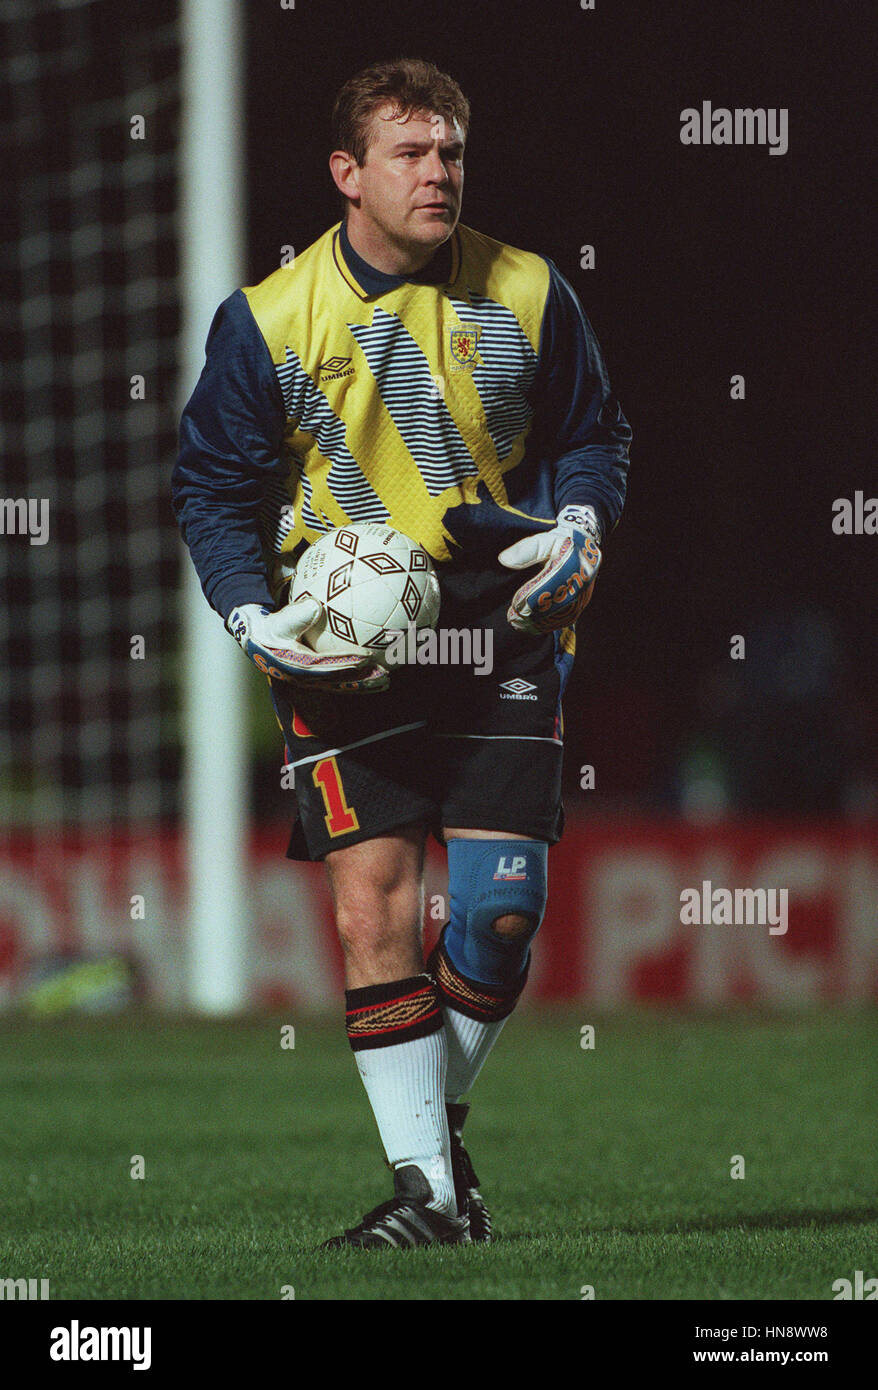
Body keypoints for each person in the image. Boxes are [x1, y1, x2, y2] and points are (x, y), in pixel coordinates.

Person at [173, 57, 631, 1249]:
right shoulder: (267, 319)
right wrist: (245, 611)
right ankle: (427, 1194)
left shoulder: (527, 290)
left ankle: (438, 1128)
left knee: (500, 918)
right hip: (344, 643)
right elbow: (213, 489)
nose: (439, 175)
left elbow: (591, 434)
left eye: (452, 154)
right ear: (347, 175)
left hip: (498, 620)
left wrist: (578, 521)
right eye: (412, 155)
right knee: (374, 909)